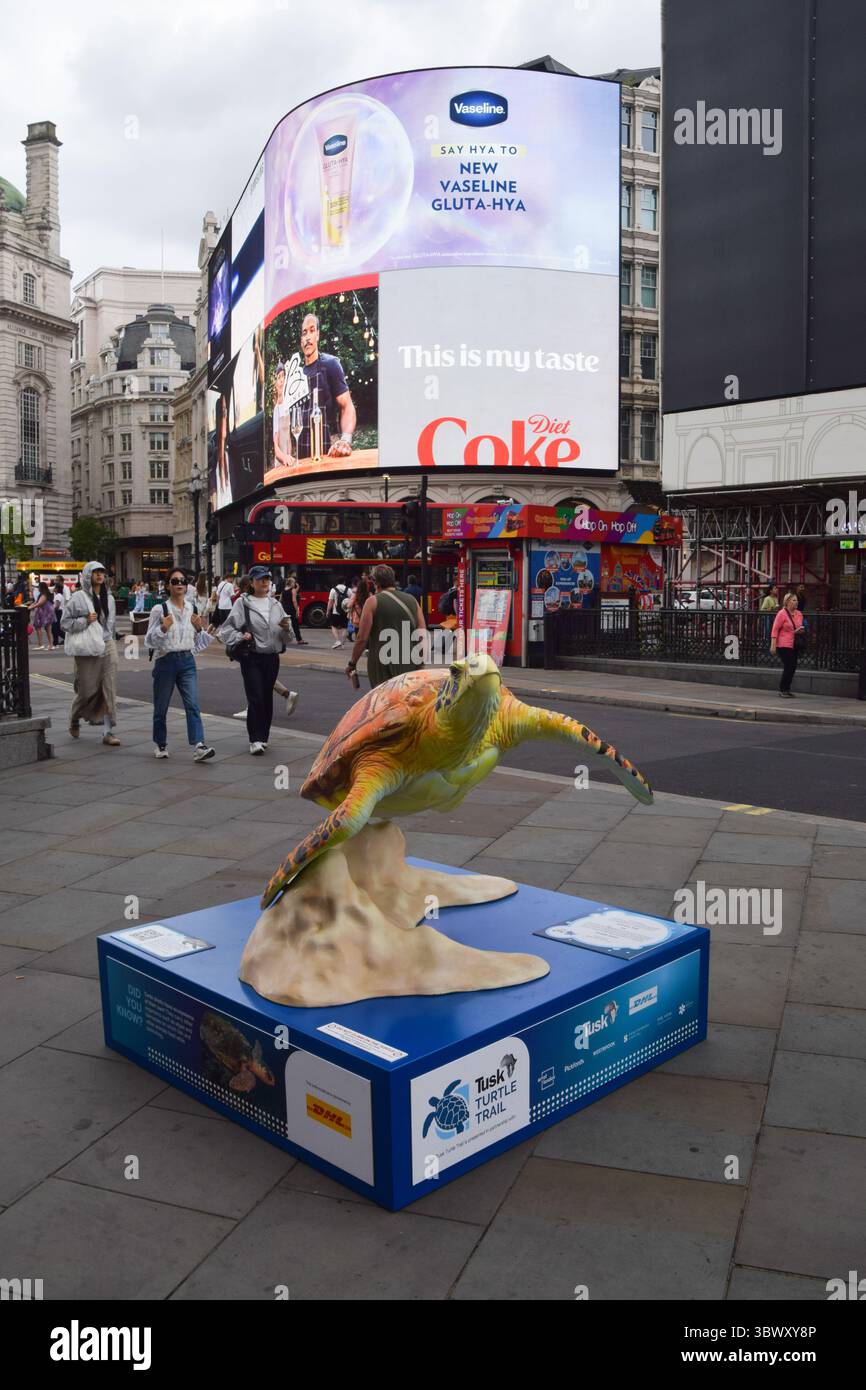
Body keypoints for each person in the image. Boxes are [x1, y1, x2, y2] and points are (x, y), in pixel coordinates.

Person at [218, 564, 293, 754]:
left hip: (271, 657)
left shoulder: (276, 605)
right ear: (251, 582)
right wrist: (240, 637)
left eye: (267, 579)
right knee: (256, 696)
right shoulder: (242, 604)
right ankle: (255, 739)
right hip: (251, 656)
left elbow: (287, 638)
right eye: (260, 579)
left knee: (267, 697)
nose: (265, 582)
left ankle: (264, 736)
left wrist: (286, 628)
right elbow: (225, 630)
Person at [145, 567, 216, 761]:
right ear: (168, 585)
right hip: (165, 661)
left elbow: (197, 641)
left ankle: (199, 745)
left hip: (186, 661)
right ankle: (160, 744)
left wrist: (199, 629)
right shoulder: (160, 609)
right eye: (175, 581)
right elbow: (149, 641)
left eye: (182, 581)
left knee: (192, 704)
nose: (179, 585)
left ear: (187, 585)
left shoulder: (192, 608)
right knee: (161, 707)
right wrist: (162, 628)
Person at [61, 560, 120, 744]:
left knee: (109, 687)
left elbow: (110, 624)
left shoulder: (109, 598)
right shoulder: (78, 597)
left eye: (102, 572)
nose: (100, 575)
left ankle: (108, 732)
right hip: (87, 648)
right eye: (95, 572)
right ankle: (74, 717)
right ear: (88, 575)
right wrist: (84, 620)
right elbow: (64, 623)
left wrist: (114, 637)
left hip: (107, 644)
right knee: (87, 689)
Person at [345, 563, 428, 689]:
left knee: (385, 703)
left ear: (375, 582)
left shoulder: (372, 602)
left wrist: (352, 663)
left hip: (382, 665)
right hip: (409, 662)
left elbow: (362, 638)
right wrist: (421, 663)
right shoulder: (412, 600)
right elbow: (422, 634)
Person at [294, 313, 357, 459]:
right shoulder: (297, 377)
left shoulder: (330, 364)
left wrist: (345, 440)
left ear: (318, 335)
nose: (308, 337)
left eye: (312, 330)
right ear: (301, 340)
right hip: (302, 461)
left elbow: (347, 406)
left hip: (328, 456)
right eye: (304, 333)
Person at [770, 591, 805, 698]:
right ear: (787, 602)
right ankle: (783, 689)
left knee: (793, 666)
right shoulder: (782, 613)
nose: (796, 602)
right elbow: (775, 629)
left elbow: (800, 626)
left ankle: (787, 689)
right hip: (783, 644)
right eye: (794, 600)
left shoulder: (799, 614)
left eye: (797, 600)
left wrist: (801, 630)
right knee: (789, 666)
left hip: (794, 643)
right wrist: (773, 645)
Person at [326, 576, 351, 649]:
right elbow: (352, 600)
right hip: (346, 611)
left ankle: (337, 641)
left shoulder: (333, 590)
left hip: (336, 612)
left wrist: (328, 611)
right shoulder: (348, 590)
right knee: (344, 627)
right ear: (344, 582)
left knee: (334, 626)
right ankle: (342, 644)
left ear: (337, 582)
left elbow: (330, 602)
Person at [29, 582, 56, 650]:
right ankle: (48, 644)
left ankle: (47, 645)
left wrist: (30, 607)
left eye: (39, 587)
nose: (38, 588)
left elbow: (39, 603)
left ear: (42, 588)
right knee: (44, 628)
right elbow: (36, 602)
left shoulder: (44, 595)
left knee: (45, 628)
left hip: (45, 613)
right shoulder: (44, 594)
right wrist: (30, 606)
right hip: (45, 612)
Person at [281, 572, 306, 643]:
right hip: (292, 608)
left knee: (285, 624)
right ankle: (299, 639)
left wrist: (297, 588)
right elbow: (294, 601)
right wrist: (297, 610)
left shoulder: (284, 590)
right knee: (295, 624)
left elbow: (281, 599)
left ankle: (282, 638)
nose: (295, 584)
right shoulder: (293, 590)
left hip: (285, 608)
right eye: (294, 582)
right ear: (292, 583)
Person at [51, 577, 65, 647]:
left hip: (58, 612)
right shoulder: (59, 595)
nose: (53, 589)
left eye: (54, 588)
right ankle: (57, 641)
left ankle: (55, 642)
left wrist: (52, 610)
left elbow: (57, 606)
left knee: (55, 628)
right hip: (59, 612)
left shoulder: (58, 596)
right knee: (57, 628)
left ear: (57, 589)